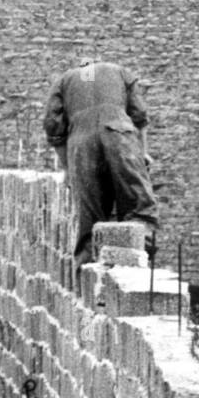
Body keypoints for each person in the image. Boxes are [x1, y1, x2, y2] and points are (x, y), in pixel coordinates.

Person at [43, 59, 158, 269]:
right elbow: (140, 116)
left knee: (90, 218)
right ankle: (138, 261)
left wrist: (68, 169)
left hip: (81, 144)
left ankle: (88, 271)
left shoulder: (63, 81)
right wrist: (142, 153)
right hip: (120, 137)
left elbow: (54, 129)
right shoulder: (120, 71)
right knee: (139, 206)